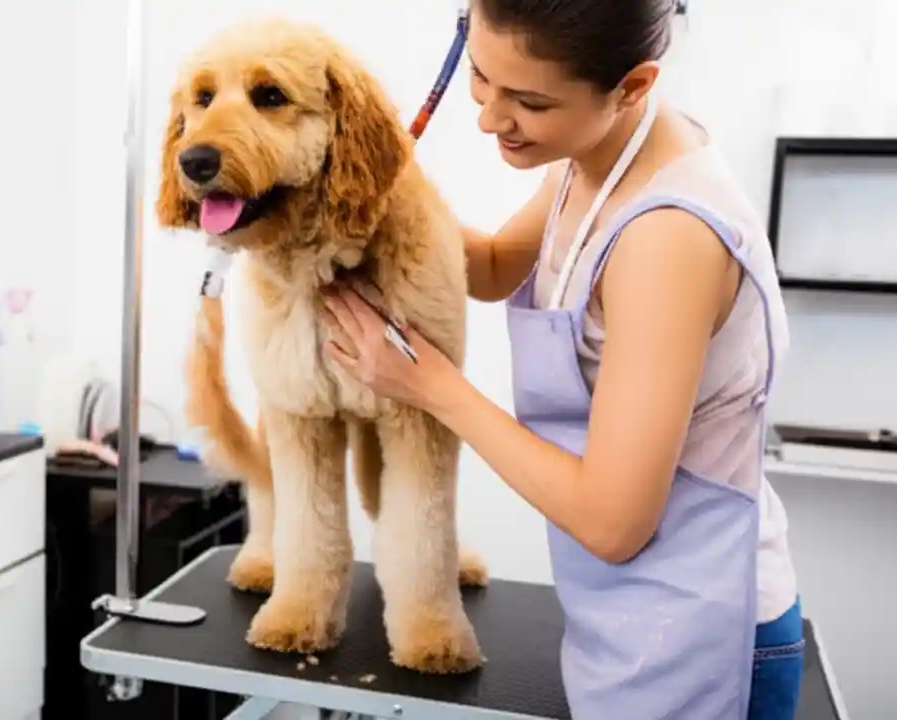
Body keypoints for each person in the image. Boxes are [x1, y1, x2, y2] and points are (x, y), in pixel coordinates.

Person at [320, 1, 804, 718]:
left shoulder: (666, 238)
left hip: (702, 634)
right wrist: (375, 183)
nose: (489, 117)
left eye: (531, 102)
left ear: (633, 85)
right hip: (625, 617)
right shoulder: (597, 161)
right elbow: (488, 267)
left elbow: (614, 523)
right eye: (480, 77)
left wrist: (432, 388)